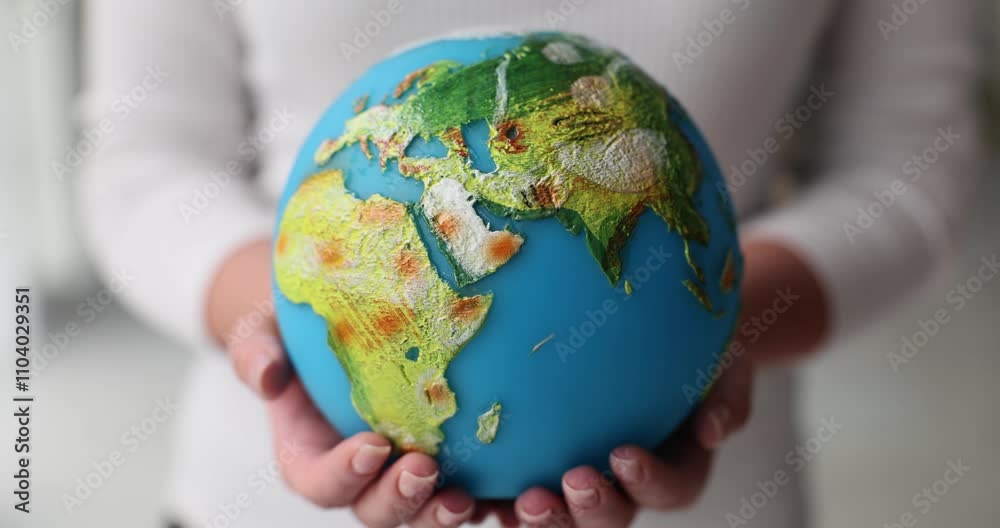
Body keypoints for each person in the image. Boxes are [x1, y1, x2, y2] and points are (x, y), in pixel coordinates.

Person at [77, 0, 980, 526]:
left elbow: (910, 162)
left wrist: (722, 327)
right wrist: (287, 331)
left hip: (710, 486)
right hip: (265, 491)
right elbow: (142, 158)